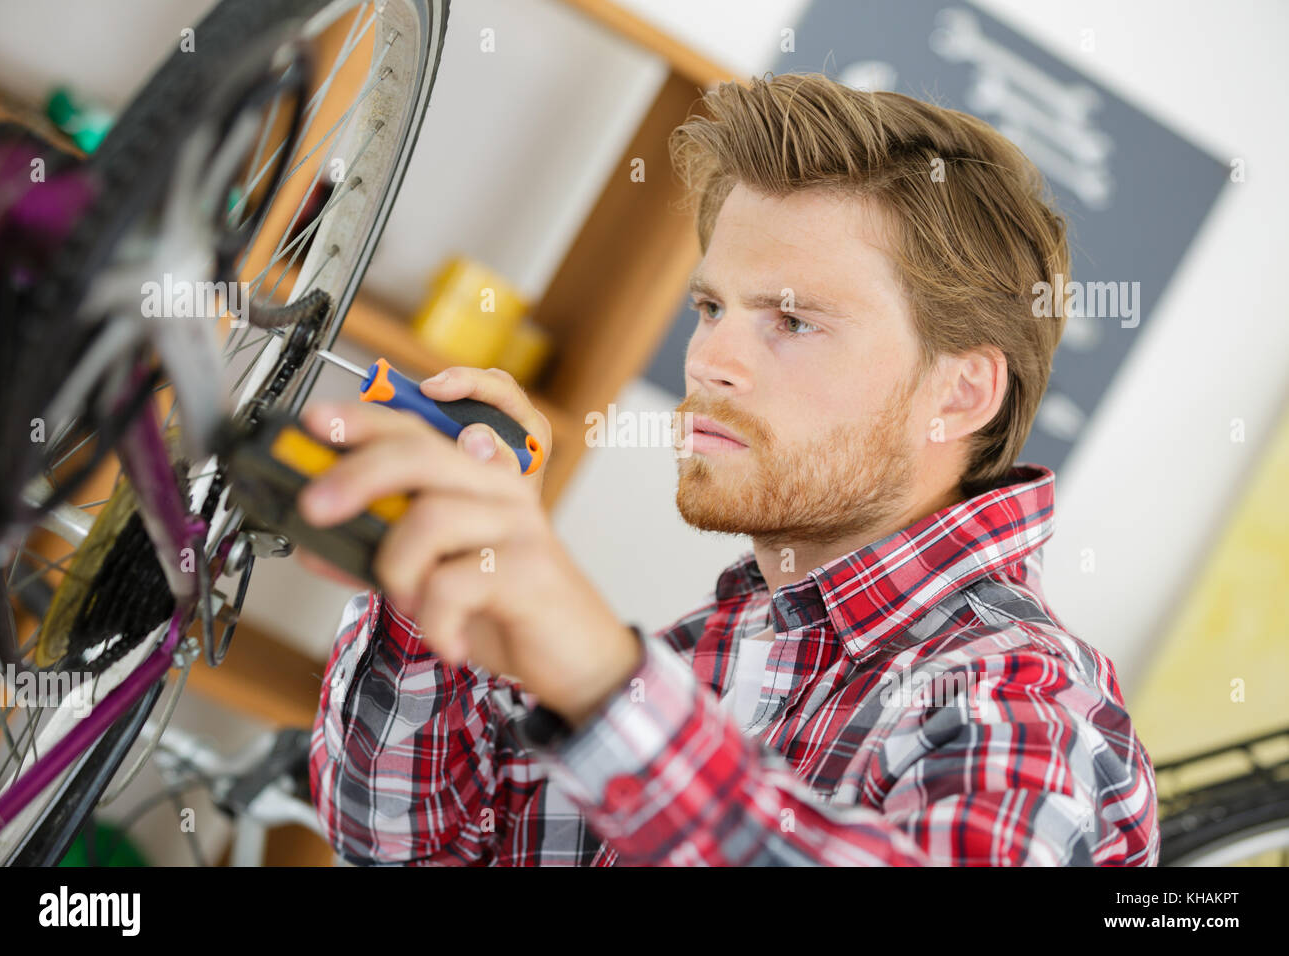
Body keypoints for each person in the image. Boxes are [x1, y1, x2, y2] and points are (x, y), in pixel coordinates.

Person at [300, 72, 1159, 866]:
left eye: (792, 321)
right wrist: (432, 571)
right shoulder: (716, 648)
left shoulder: (1025, 701)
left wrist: (605, 688)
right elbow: (411, 850)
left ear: (963, 393)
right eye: (711, 307)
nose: (710, 358)